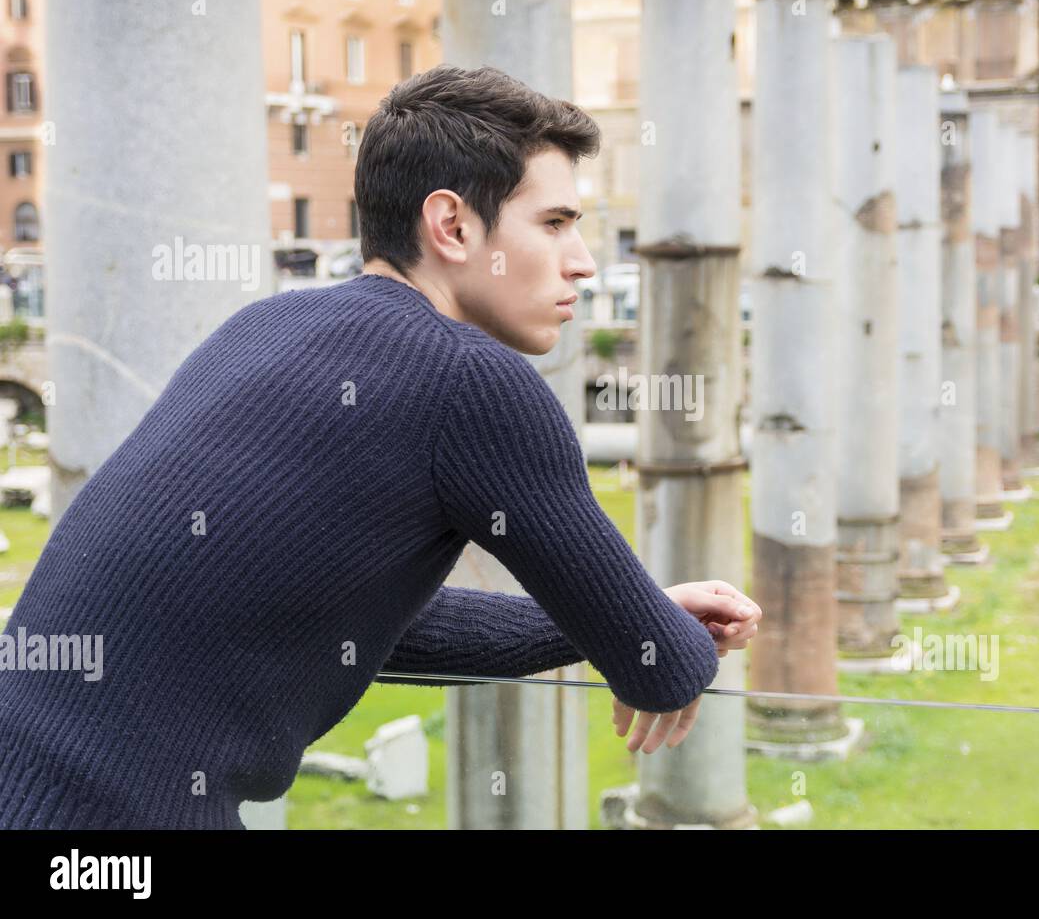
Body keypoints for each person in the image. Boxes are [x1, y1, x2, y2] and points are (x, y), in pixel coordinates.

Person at [0, 64, 761, 830]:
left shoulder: (264, 326)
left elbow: (347, 617)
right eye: (556, 223)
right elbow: (663, 668)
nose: (584, 261)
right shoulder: (471, 381)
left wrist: (616, 617)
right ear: (453, 226)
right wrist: (641, 632)